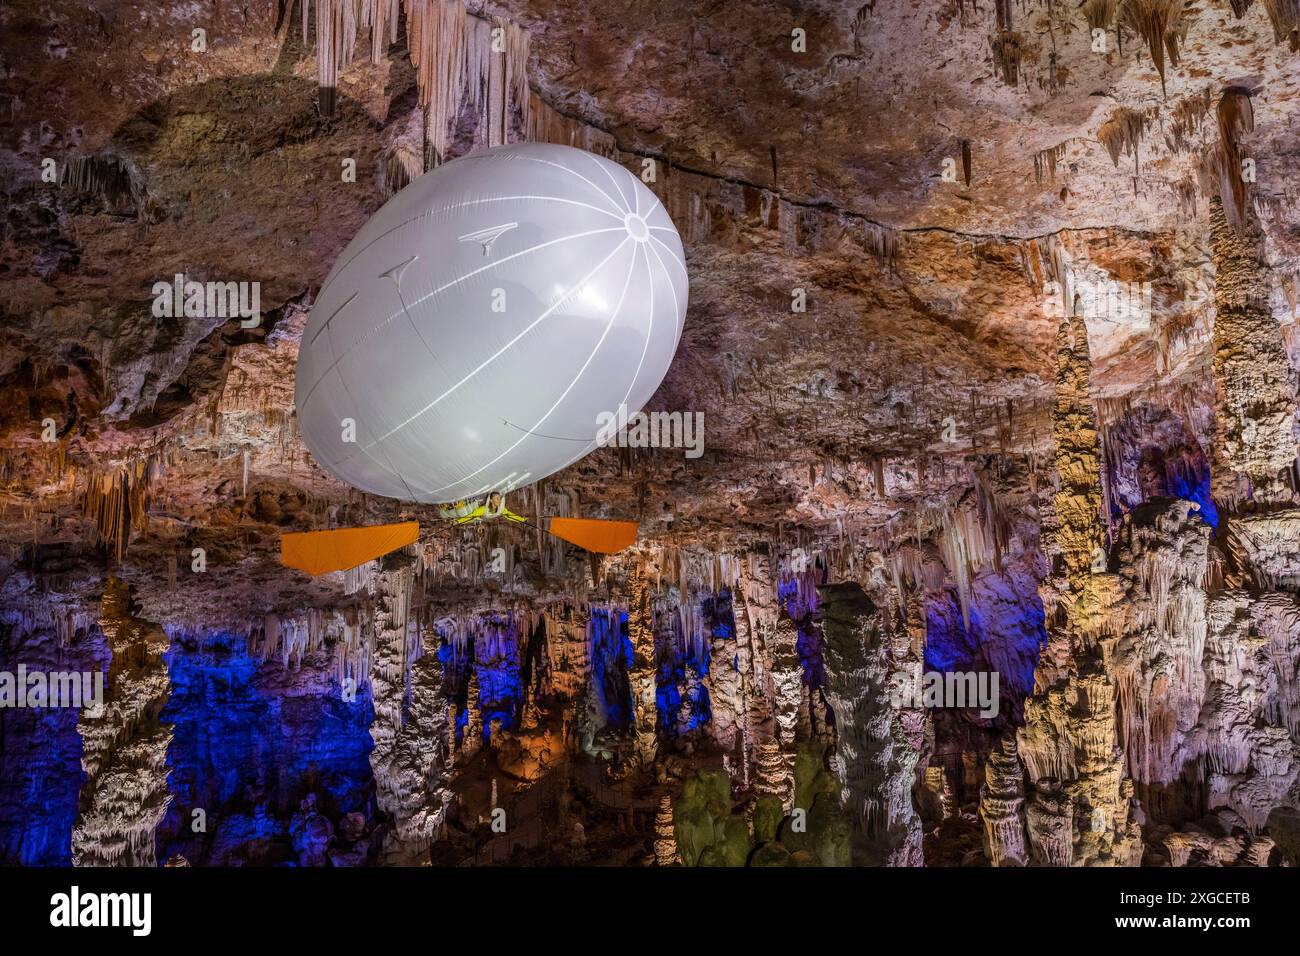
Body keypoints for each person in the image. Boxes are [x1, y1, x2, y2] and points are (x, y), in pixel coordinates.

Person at [438, 491, 527, 525]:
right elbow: (470, 517)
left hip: (479, 518)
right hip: (473, 516)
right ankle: (445, 510)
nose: (499, 500)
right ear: (491, 500)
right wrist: (458, 521)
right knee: (462, 513)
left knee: (462, 513)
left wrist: (522, 520)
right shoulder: (483, 509)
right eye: (497, 498)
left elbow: (510, 516)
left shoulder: (502, 509)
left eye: (499, 498)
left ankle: (448, 510)